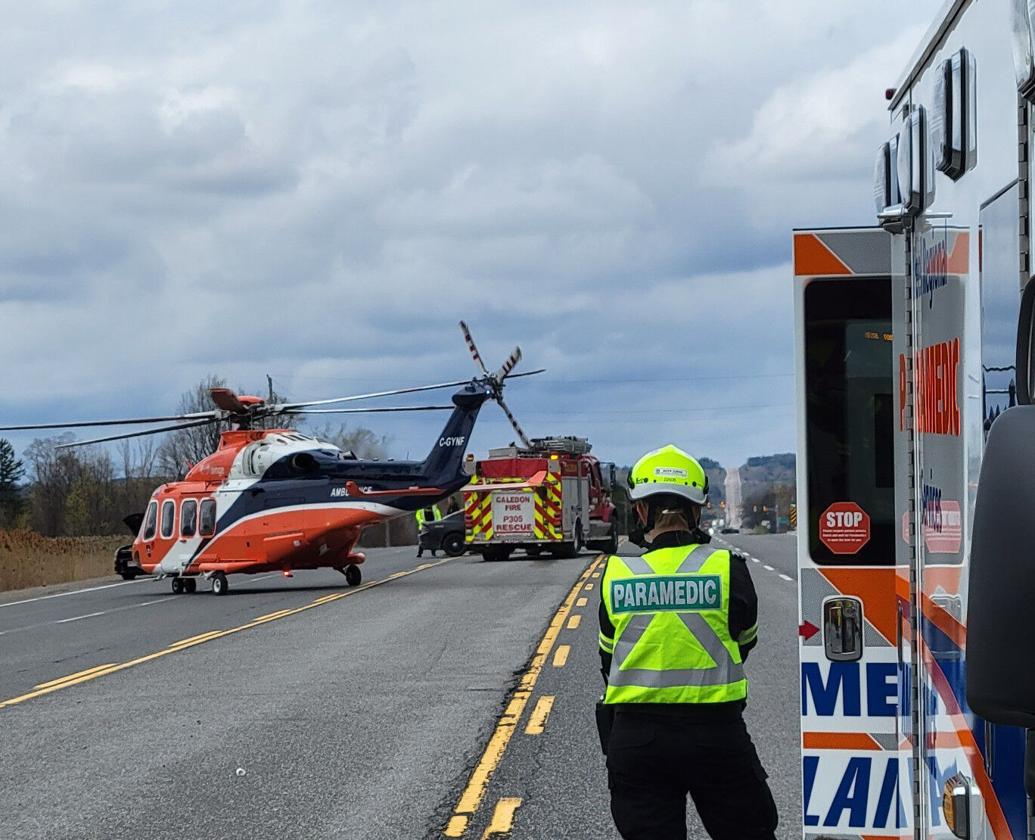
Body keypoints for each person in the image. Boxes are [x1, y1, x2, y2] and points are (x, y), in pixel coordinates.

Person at [597, 445, 778, 840]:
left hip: (637, 741)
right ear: (697, 510)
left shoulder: (617, 573)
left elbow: (608, 658)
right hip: (715, 735)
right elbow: (744, 641)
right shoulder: (727, 568)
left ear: (641, 511)